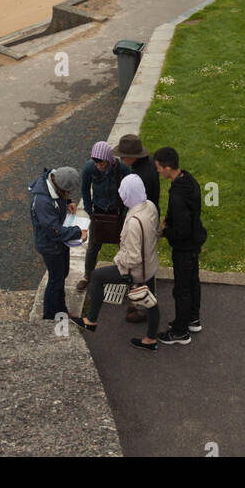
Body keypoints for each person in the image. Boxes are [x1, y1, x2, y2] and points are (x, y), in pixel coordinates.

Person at [71, 174, 162, 352]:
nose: (121, 196)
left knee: (97, 277)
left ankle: (91, 321)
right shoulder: (149, 206)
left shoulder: (134, 222)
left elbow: (133, 257)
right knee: (151, 301)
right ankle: (151, 339)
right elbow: (155, 233)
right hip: (150, 264)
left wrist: (117, 260)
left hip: (136, 270)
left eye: (123, 193)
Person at [153, 146, 207, 345]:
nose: (157, 170)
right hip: (195, 243)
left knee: (181, 289)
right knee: (193, 282)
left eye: (159, 167)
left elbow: (181, 232)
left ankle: (180, 332)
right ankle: (193, 319)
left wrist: (166, 229)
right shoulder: (189, 181)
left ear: (167, 168)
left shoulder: (177, 196)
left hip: (184, 248)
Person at [27, 166, 87, 320]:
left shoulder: (54, 183)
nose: (69, 194)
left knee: (62, 274)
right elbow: (55, 231)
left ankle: (61, 310)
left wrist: (67, 202)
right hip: (50, 246)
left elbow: (58, 199)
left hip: (59, 244)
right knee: (56, 280)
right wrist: (78, 232)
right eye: (67, 192)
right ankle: (48, 317)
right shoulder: (43, 202)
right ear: (59, 187)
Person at [113, 135, 160, 322]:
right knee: (146, 260)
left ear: (133, 157)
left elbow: (136, 201)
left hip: (140, 223)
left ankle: (141, 307)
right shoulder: (147, 167)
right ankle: (145, 305)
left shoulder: (140, 175)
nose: (122, 160)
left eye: (123, 156)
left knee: (139, 266)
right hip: (149, 219)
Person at [75, 141, 130, 292]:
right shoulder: (89, 168)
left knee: (123, 245)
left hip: (117, 212)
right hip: (98, 211)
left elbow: (131, 184)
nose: (98, 165)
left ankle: (125, 275)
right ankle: (87, 276)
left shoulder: (121, 167)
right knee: (93, 246)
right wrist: (89, 210)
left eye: (101, 162)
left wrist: (125, 210)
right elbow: (84, 189)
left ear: (108, 159)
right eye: (95, 162)